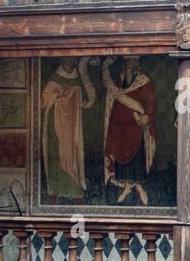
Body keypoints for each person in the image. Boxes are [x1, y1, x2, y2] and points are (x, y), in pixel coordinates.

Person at [103, 56, 157, 205]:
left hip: (135, 128)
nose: (129, 67)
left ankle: (139, 187)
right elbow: (112, 94)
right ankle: (127, 187)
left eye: (132, 63)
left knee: (136, 158)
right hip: (119, 127)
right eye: (127, 63)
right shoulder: (119, 81)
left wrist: (146, 116)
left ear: (137, 65)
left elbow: (151, 101)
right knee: (121, 157)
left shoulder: (143, 82)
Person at [40, 58, 93, 200]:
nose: (70, 63)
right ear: (63, 61)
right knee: (57, 156)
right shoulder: (56, 78)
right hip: (56, 125)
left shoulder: (78, 77)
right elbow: (45, 99)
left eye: (73, 60)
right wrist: (62, 96)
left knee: (72, 154)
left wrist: (72, 95)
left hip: (72, 126)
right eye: (68, 60)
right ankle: (55, 192)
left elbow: (84, 97)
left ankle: (75, 191)